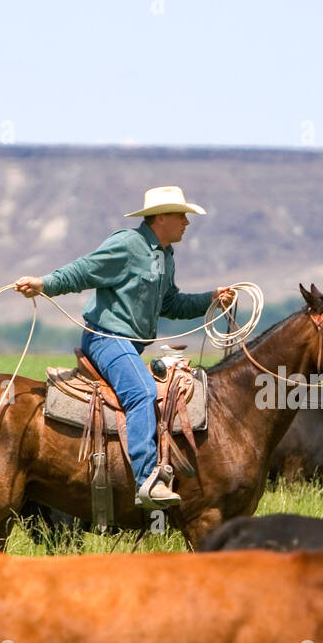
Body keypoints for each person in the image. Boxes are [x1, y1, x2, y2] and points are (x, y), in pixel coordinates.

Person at [15, 186, 234, 508]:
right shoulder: (127, 244)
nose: (187, 222)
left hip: (130, 345)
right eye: (181, 215)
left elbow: (170, 303)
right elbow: (84, 270)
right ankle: (147, 480)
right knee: (143, 392)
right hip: (106, 339)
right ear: (161, 217)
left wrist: (211, 299)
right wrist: (44, 283)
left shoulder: (164, 255)